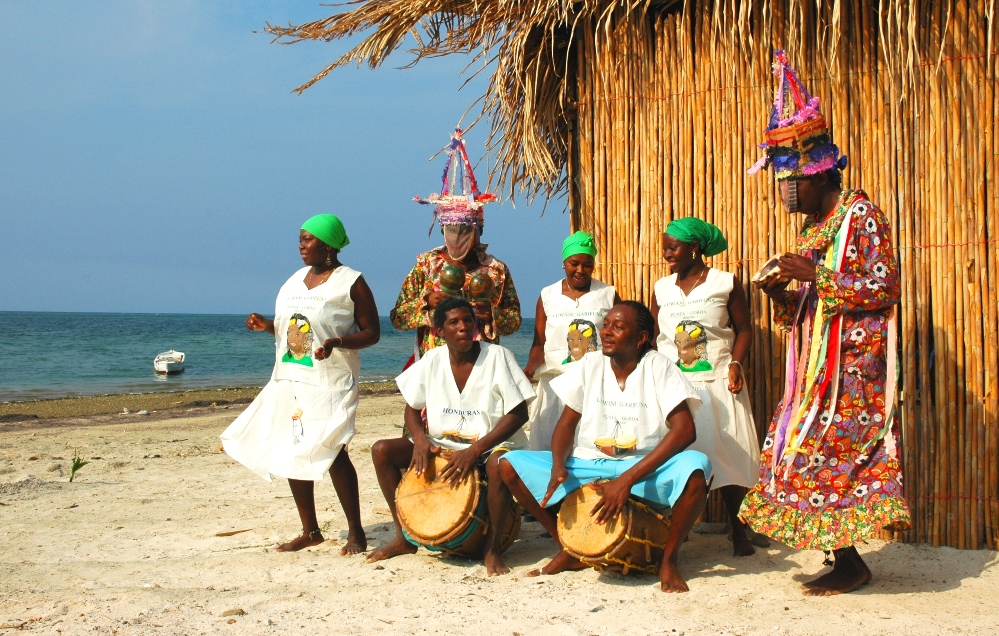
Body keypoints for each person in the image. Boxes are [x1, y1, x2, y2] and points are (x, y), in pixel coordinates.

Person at [740, 50, 909, 595]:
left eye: (791, 181)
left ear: (818, 173)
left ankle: (852, 563)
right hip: (815, 372)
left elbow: (885, 287)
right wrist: (781, 296)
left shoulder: (861, 215)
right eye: (781, 182)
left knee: (832, 459)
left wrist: (817, 274)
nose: (785, 192)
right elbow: (812, 307)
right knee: (804, 454)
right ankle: (846, 559)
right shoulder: (818, 227)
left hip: (853, 374)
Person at [497, 301, 712, 592]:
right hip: (587, 465)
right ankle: (570, 548)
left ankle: (669, 561)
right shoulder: (591, 364)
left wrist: (626, 479)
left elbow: (685, 430)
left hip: (641, 470)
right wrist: (559, 464)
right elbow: (566, 425)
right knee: (509, 465)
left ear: (641, 338)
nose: (606, 332)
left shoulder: (657, 366)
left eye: (618, 327)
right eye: (606, 324)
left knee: (697, 468)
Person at [221, 214, 380, 554]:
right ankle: (310, 531)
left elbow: (372, 333)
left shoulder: (350, 282)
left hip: (331, 381)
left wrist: (338, 342)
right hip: (293, 378)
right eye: (300, 238)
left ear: (328, 245)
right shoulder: (294, 281)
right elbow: (294, 328)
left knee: (334, 449)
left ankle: (356, 532)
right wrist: (267, 326)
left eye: (308, 239)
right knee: (294, 449)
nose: (301, 245)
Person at [367, 296, 534, 575]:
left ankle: (492, 548)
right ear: (440, 331)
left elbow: (519, 414)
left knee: (496, 465)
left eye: (468, 320)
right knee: (381, 450)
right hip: (441, 444)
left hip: (491, 445)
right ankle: (403, 537)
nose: (463, 327)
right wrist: (419, 439)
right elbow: (412, 409)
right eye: (453, 322)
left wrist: (474, 450)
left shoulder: (497, 356)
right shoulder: (432, 359)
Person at [650, 218, 762, 557]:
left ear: (694, 247)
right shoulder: (661, 288)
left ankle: (739, 530)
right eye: (666, 246)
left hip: (717, 381)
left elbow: (743, 329)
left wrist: (736, 363)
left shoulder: (724, 283)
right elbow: (655, 337)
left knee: (726, 455)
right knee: (680, 456)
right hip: (675, 387)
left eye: (673, 247)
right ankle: (677, 529)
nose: (667, 253)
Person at [391, 131, 521, 359]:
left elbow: (515, 321)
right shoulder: (426, 266)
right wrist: (426, 302)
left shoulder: (496, 270)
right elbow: (398, 318)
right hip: (435, 364)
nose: (458, 237)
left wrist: (491, 315)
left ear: (479, 229)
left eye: (465, 231)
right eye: (452, 231)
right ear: (443, 230)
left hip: (482, 364)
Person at [523, 231, 619, 451]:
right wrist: (530, 367)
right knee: (549, 449)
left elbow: (618, 339)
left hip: (594, 386)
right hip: (554, 387)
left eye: (587, 264)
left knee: (589, 447)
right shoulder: (547, 295)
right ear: (564, 263)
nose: (580, 270)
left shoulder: (608, 294)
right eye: (574, 263)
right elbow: (539, 343)